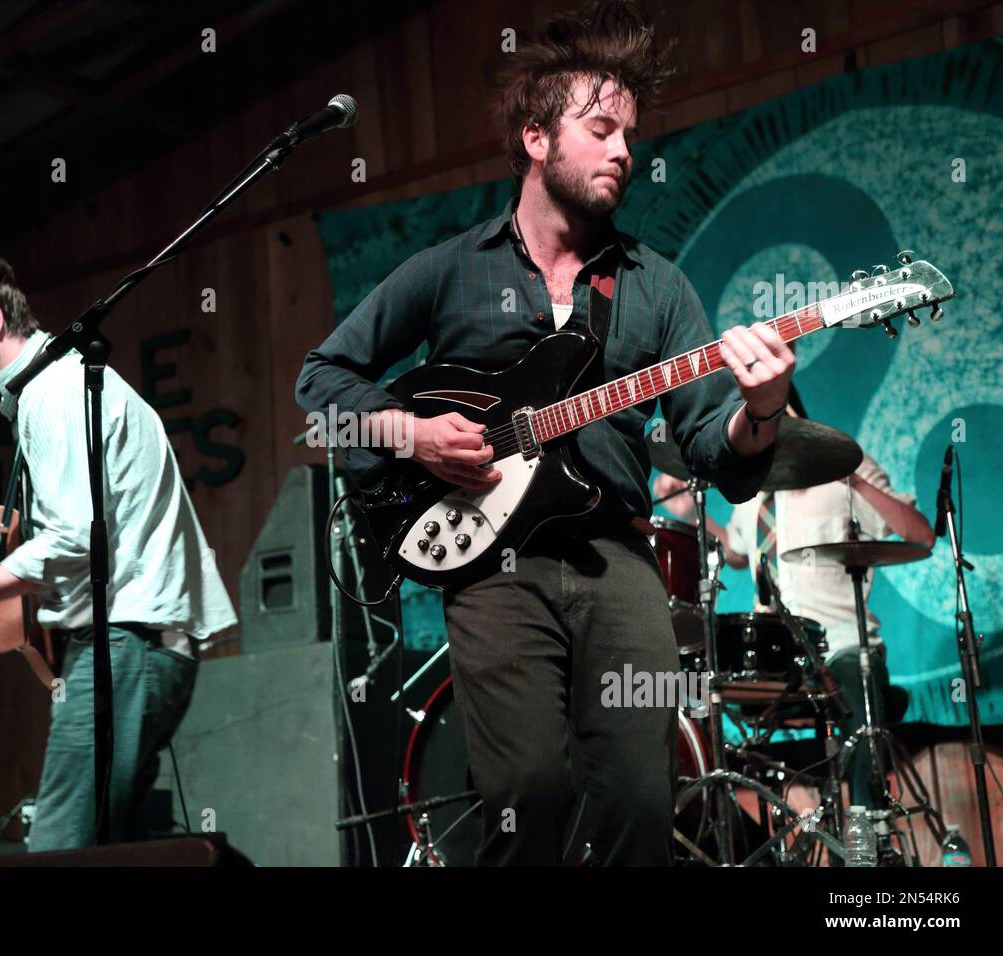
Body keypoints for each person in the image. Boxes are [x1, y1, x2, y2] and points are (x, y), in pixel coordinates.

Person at [296, 2, 789, 865]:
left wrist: (764, 409)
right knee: (529, 794)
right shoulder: (450, 268)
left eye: (630, 136)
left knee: (643, 798)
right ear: (535, 137)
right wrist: (407, 434)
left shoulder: (657, 288)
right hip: (491, 567)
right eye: (600, 129)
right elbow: (319, 387)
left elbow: (714, 448)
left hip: (619, 557)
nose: (623, 152)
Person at [0, 253, 236, 850]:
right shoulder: (58, 386)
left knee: (58, 849)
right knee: (111, 850)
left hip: (125, 644)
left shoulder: (55, 391)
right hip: (140, 644)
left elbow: (73, 538)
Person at [654, 396, 934, 809]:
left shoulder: (844, 470)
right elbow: (735, 551)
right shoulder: (750, 490)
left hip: (841, 644)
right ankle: (720, 829)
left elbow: (920, 534)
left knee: (859, 717)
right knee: (689, 690)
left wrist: (852, 479)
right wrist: (692, 515)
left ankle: (866, 830)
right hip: (773, 653)